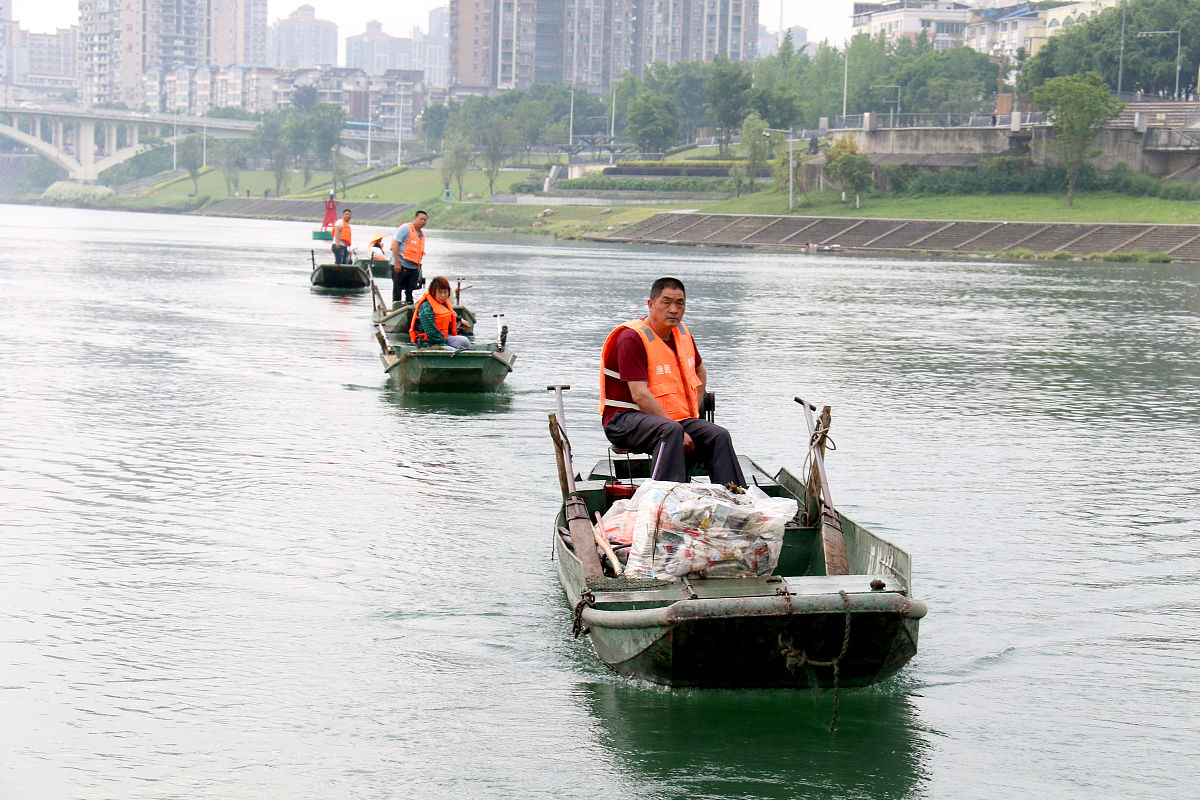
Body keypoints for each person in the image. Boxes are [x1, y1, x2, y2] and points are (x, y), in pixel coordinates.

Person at [598, 277, 746, 488]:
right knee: (671, 431)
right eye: (666, 302)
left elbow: (700, 370)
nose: (674, 310)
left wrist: (693, 411)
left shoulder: (682, 334)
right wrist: (678, 427)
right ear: (651, 304)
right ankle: (664, 501)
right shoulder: (631, 338)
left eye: (680, 303)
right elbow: (639, 394)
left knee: (718, 435)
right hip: (623, 421)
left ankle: (736, 497)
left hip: (670, 421)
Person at [409, 276, 470, 349]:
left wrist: (460, 320)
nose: (443, 295)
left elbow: (450, 315)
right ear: (433, 292)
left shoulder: (444, 303)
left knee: (464, 341)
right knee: (452, 351)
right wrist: (445, 344)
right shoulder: (426, 307)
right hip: (427, 342)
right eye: (440, 292)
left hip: (442, 338)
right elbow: (431, 334)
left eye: (445, 292)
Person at [391, 210, 427, 306]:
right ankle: (397, 308)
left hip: (413, 267)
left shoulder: (421, 234)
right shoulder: (405, 228)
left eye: (425, 220)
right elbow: (395, 244)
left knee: (412, 291)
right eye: (421, 219)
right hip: (401, 265)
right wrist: (397, 262)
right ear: (415, 218)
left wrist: (418, 266)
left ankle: (410, 309)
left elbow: (418, 252)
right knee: (397, 289)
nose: (423, 222)